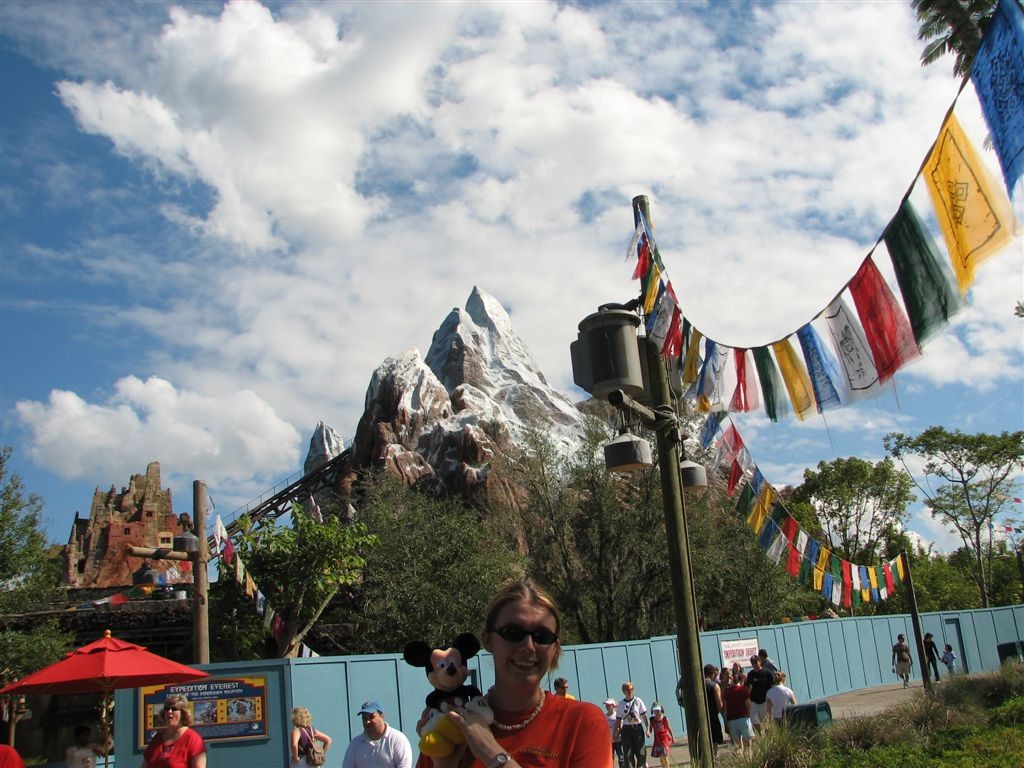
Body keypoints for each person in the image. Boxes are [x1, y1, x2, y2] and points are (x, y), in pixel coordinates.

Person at [415, 578, 612, 768]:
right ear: (488, 641)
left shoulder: (582, 723)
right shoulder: (451, 727)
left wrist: (492, 753)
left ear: (554, 648)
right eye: (513, 633)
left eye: (542, 636)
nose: (529, 646)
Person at [141, 694, 207, 768]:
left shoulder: (193, 739)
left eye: (174, 709)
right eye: (167, 708)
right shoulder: (157, 739)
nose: (169, 711)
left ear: (183, 713)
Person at [343, 700, 412, 768]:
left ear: (382, 716)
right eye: (364, 718)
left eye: (371, 717)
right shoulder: (355, 744)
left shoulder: (397, 739)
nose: (367, 722)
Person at [615, 681, 648, 768]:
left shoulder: (638, 701)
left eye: (631, 689)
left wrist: (647, 728)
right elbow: (618, 720)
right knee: (628, 754)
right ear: (624, 691)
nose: (630, 691)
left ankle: (640, 766)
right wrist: (615, 733)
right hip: (626, 729)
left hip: (637, 728)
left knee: (641, 752)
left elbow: (644, 716)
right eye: (628, 689)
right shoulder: (621, 704)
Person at [721, 670, 753, 756]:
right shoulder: (743, 690)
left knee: (737, 746)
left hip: (732, 721)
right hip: (744, 719)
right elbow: (749, 706)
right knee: (748, 744)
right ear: (741, 680)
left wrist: (725, 723)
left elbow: (725, 709)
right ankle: (749, 759)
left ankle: (739, 759)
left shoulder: (727, 692)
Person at [744, 655, 774, 732]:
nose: (754, 664)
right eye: (752, 663)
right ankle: (760, 736)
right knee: (755, 722)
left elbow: (772, 685)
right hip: (754, 702)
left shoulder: (767, 673)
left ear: (759, 661)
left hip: (765, 701)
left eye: (755, 662)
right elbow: (747, 687)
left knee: (767, 723)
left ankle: (768, 736)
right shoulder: (750, 674)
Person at [702, 664, 724, 752]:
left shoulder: (698, 686)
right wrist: (725, 719)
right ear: (713, 673)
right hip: (713, 717)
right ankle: (713, 758)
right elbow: (719, 705)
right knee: (714, 742)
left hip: (701, 718)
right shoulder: (714, 686)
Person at [603, 698, 623, 768]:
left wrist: (617, 734)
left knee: (621, 757)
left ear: (613, 706)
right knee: (610, 758)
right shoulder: (604, 716)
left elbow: (621, 726)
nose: (607, 706)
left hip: (618, 740)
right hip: (609, 741)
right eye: (606, 705)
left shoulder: (617, 715)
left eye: (609, 705)